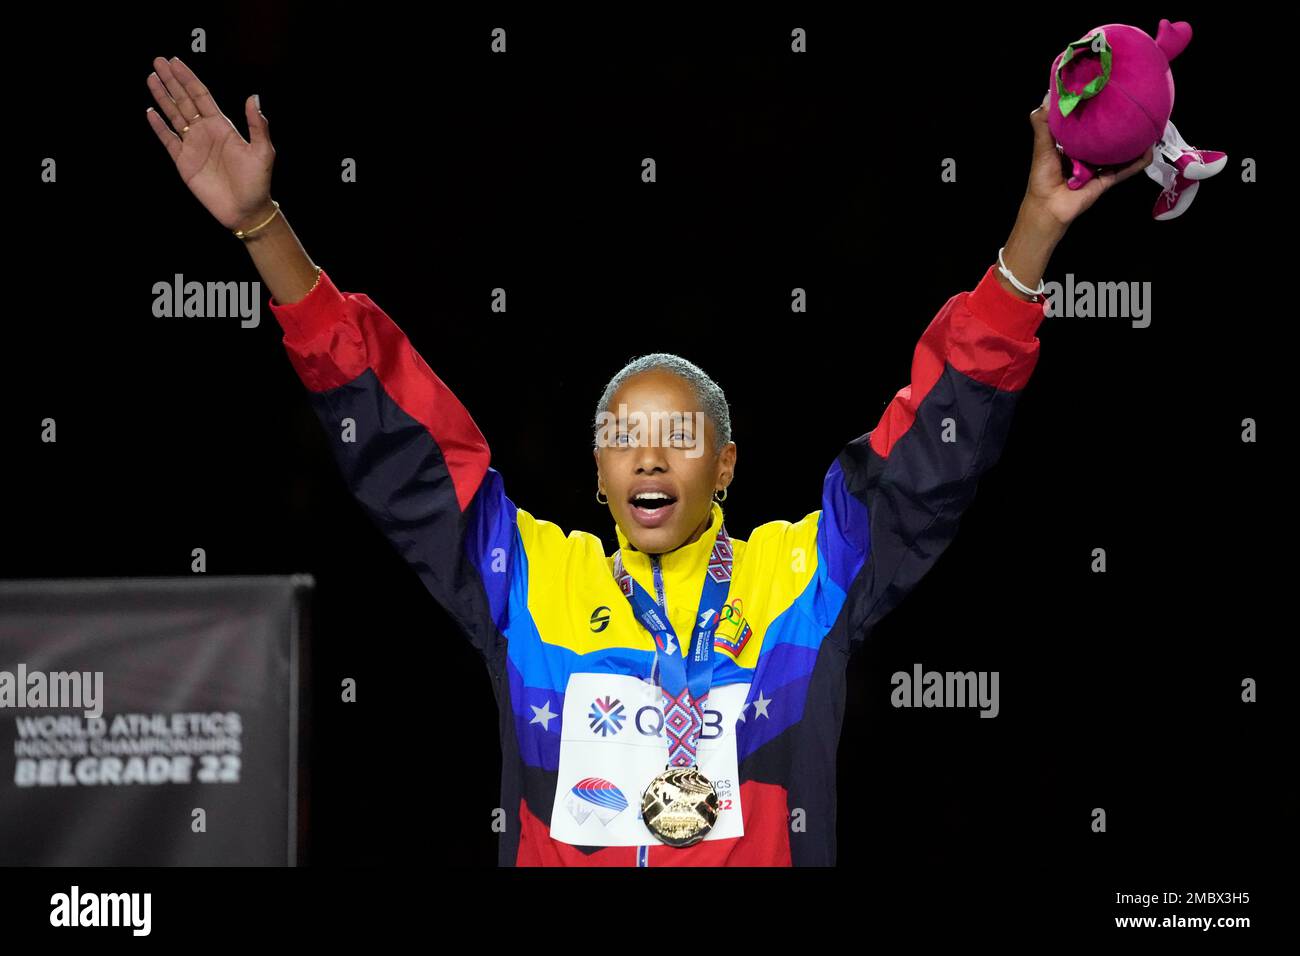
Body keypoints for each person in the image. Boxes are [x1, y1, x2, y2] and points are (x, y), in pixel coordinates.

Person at [146, 55, 1152, 866]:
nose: (648, 455)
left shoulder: (801, 576)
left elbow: (933, 455)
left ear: (725, 466)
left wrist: (1032, 233)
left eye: (679, 434)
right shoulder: (529, 579)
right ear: (596, 472)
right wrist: (260, 227)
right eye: (623, 437)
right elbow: (401, 453)